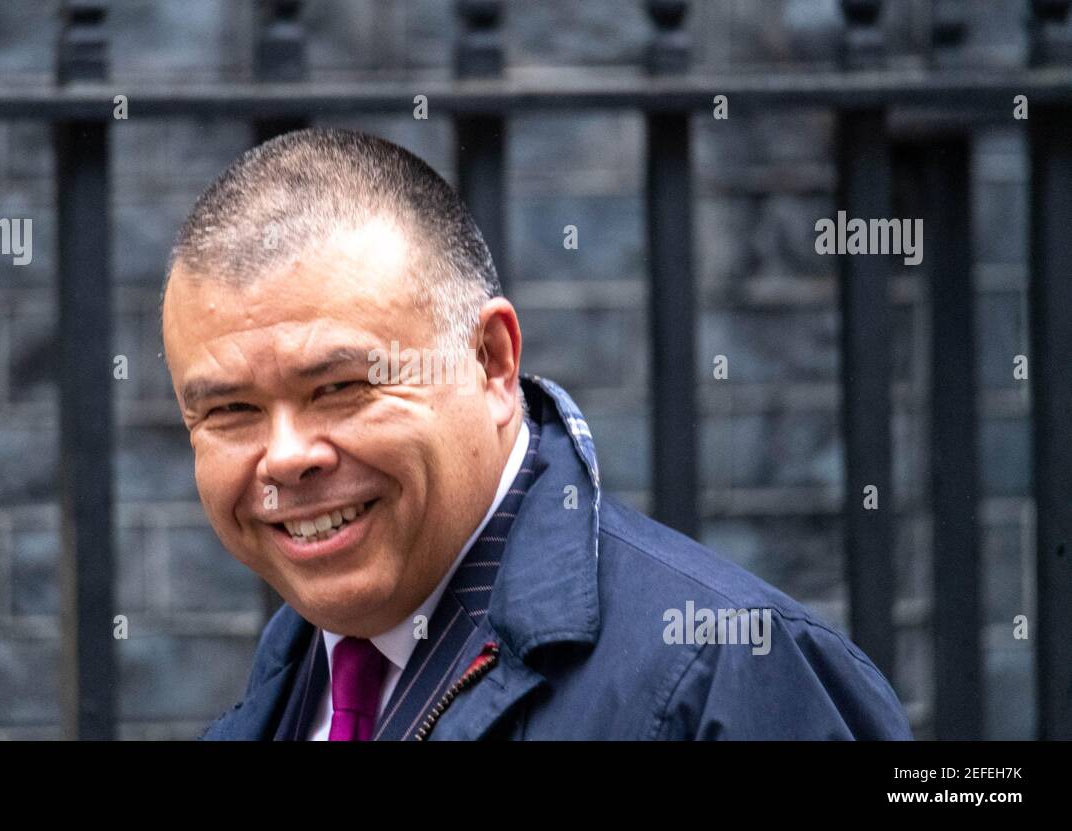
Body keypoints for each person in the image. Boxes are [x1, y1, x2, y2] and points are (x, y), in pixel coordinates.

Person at [159, 128, 912, 740]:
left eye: (340, 387)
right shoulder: (287, 688)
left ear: (490, 362)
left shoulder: (729, 672)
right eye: (230, 411)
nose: (287, 455)